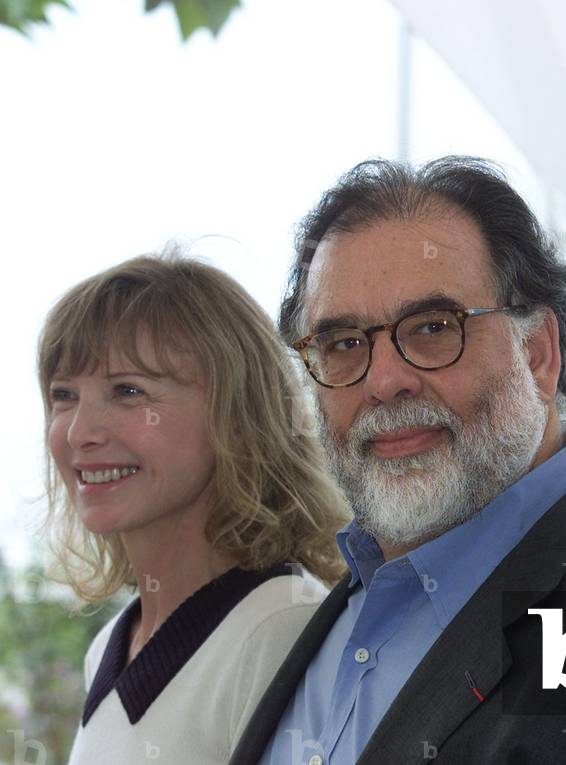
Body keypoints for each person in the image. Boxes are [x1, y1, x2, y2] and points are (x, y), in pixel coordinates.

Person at [227, 156, 566, 765]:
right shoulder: (341, 608)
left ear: (538, 353)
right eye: (344, 345)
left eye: (433, 327)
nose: (383, 380)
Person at [39, 252, 350, 764]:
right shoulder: (109, 650)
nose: (80, 432)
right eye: (64, 395)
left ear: (237, 414)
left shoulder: (280, 629)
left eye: (127, 390)